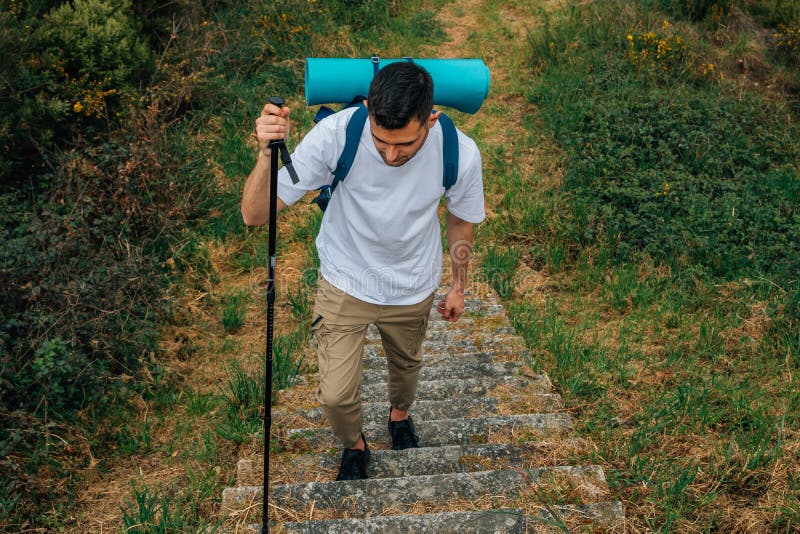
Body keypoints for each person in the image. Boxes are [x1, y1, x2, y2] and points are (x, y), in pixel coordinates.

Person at [241, 62, 485, 480]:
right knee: (335, 397)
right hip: (345, 280)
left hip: (414, 286)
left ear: (431, 119)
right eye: (380, 140)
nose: (391, 155)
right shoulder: (336, 135)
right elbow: (254, 214)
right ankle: (355, 445)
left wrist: (458, 286)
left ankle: (399, 416)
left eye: (404, 144)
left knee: (407, 370)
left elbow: (461, 220)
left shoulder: (459, 152)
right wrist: (266, 155)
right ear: (369, 110)